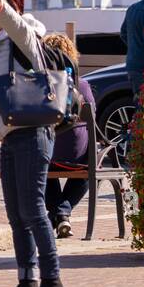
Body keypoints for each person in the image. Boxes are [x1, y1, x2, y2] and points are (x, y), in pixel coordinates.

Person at [0, 0, 64, 287]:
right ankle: (27, 281)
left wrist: (4, 8)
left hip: (34, 132)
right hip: (12, 136)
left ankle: (53, 281)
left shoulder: (25, 38)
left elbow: (17, 26)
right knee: (16, 214)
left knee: (34, 210)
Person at [43, 32, 95, 238]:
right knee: (92, 168)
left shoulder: (39, 83)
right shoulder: (81, 84)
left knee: (41, 165)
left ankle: (57, 214)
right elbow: (93, 116)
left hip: (48, 155)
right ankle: (62, 214)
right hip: (75, 157)